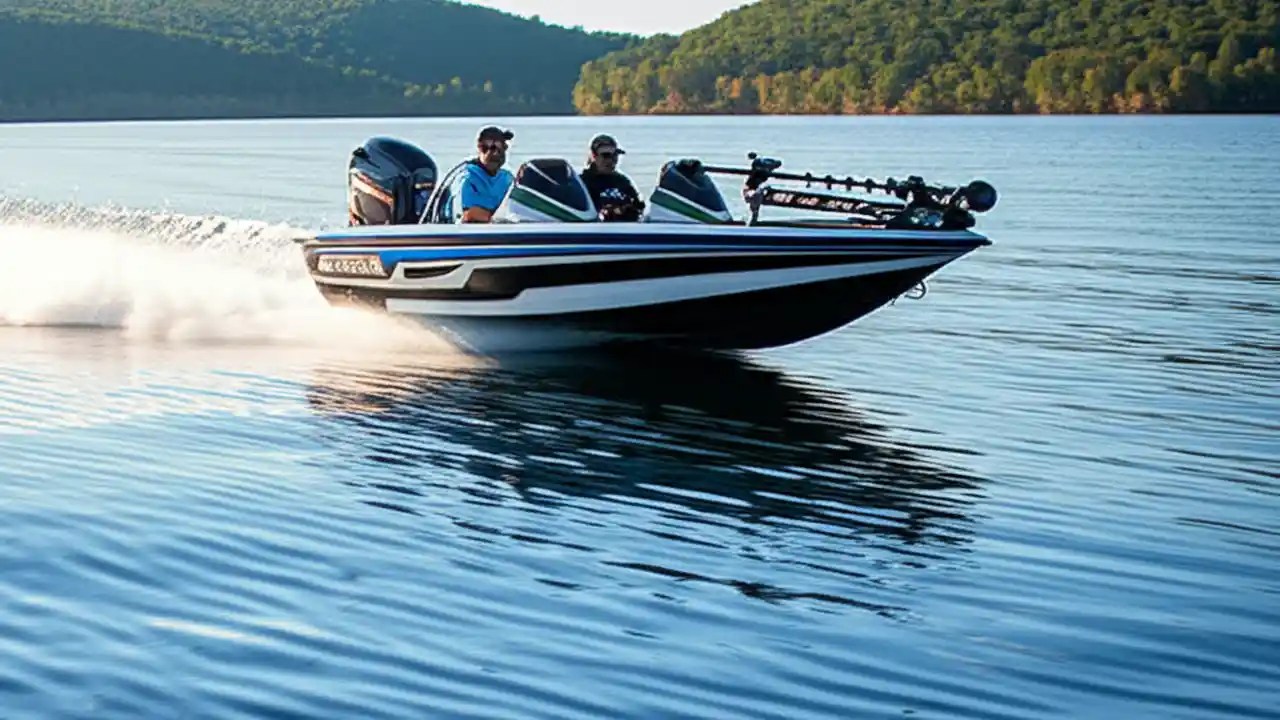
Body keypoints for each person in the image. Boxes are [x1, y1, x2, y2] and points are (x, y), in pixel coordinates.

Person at [447, 125, 515, 223]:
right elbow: (470, 215)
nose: (495, 154)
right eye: (489, 148)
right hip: (466, 235)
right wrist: (499, 221)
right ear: (479, 148)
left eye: (500, 148)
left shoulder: (507, 178)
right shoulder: (466, 177)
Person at [580, 134, 644, 222]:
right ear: (594, 156)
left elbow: (638, 205)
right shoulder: (583, 183)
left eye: (614, 156)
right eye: (606, 156)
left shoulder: (622, 181)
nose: (610, 161)